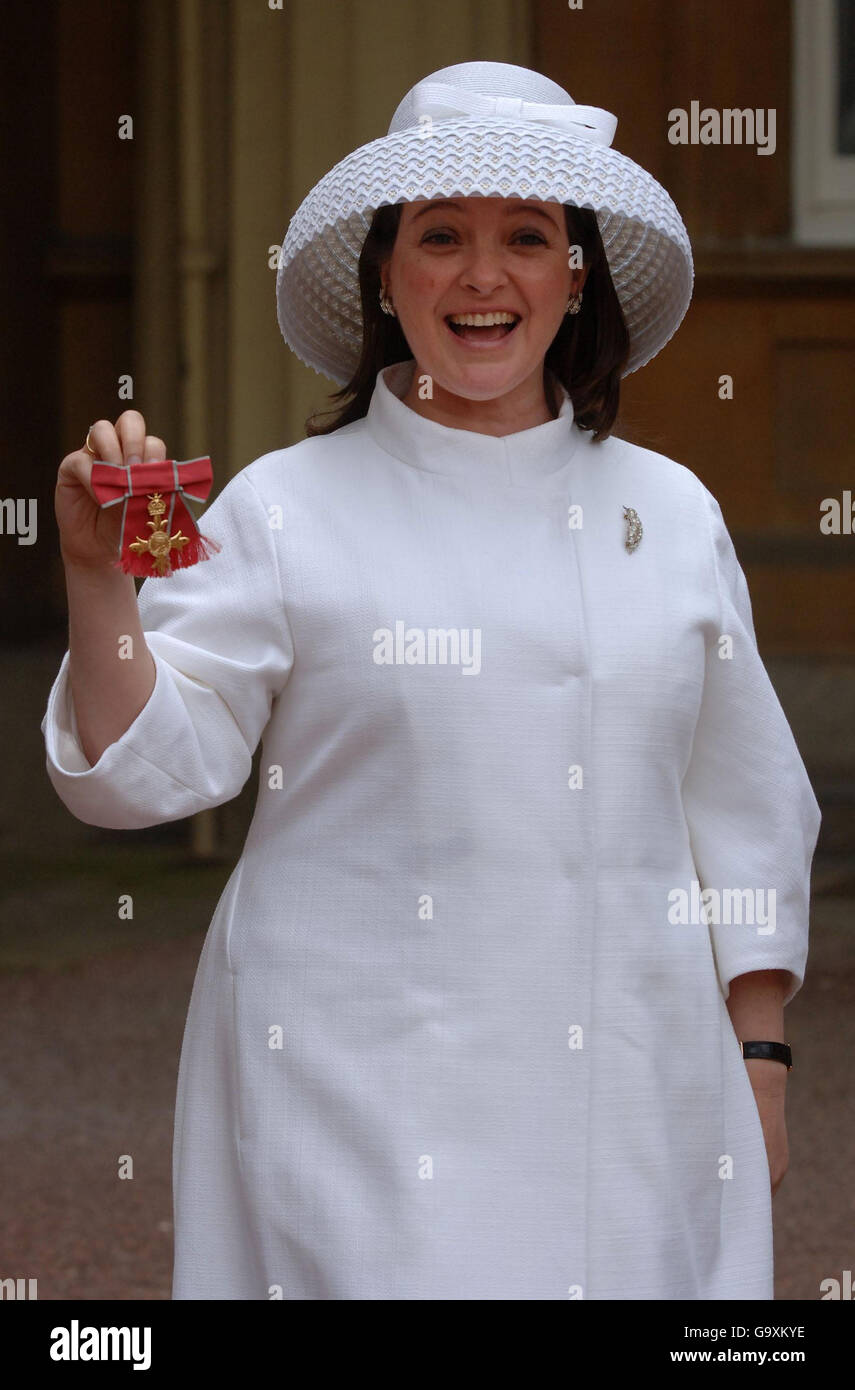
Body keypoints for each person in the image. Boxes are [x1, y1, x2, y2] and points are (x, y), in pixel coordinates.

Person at [41, 61, 821, 1300]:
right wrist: (100, 585)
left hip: (633, 1086)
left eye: (528, 236)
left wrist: (761, 1059)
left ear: (577, 278)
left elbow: (746, 808)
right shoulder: (287, 510)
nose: (482, 274)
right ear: (384, 273)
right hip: (348, 1090)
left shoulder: (671, 513)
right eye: (440, 236)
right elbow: (150, 772)